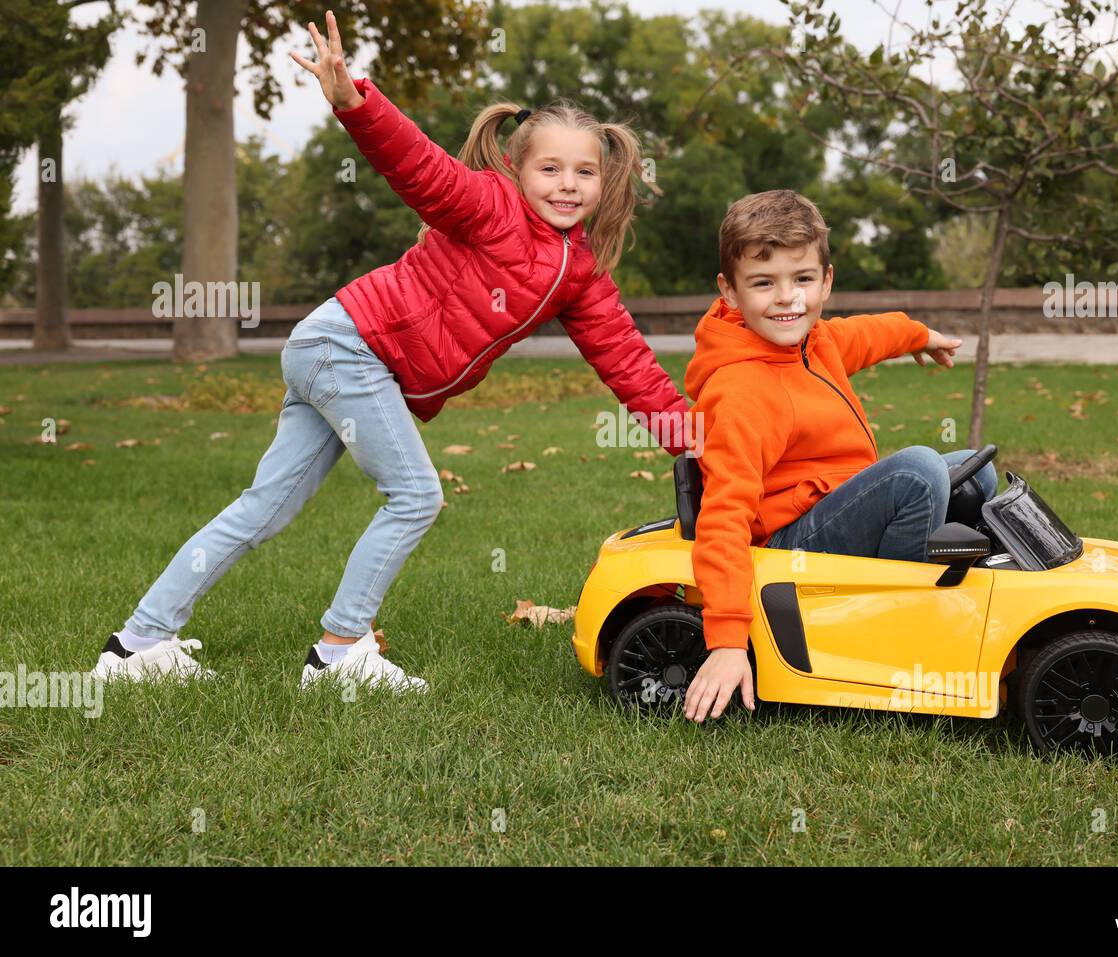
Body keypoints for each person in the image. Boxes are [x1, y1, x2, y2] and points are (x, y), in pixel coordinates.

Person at [92, 10, 689, 693]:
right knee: (414, 495)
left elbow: (630, 365)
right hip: (347, 347)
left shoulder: (578, 274)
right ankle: (340, 653)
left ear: (603, 181)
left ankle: (136, 644)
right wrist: (355, 100)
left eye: (584, 171)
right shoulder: (488, 205)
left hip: (334, 349)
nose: (566, 184)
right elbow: (421, 168)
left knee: (265, 506)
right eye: (549, 167)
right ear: (515, 168)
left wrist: (692, 435)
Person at [680, 189, 997, 721]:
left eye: (802, 279)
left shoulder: (809, 341)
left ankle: (956, 575)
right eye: (764, 283)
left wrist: (919, 335)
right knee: (919, 472)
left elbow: (865, 334)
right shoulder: (741, 392)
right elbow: (724, 516)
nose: (787, 299)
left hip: (827, 505)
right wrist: (729, 640)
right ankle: (893, 623)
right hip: (789, 545)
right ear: (730, 292)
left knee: (973, 471)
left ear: (826, 281)